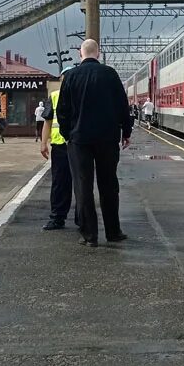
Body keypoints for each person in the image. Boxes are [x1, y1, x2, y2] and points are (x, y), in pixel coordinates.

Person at [56, 39, 132, 248]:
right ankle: (113, 231)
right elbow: (122, 106)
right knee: (109, 184)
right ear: (98, 54)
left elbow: (62, 111)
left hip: (79, 140)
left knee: (83, 186)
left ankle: (90, 236)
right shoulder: (110, 75)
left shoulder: (70, 76)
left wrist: (67, 134)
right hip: (107, 138)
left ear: (80, 54)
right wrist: (126, 131)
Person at [40, 67, 76, 231]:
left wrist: (43, 144)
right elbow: (47, 122)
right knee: (63, 183)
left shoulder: (80, 95)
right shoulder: (54, 97)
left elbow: (47, 123)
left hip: (75, 145)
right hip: (63, 146)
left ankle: (63, 218)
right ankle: (60, 217)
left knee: (70, 183)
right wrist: (43, 143)